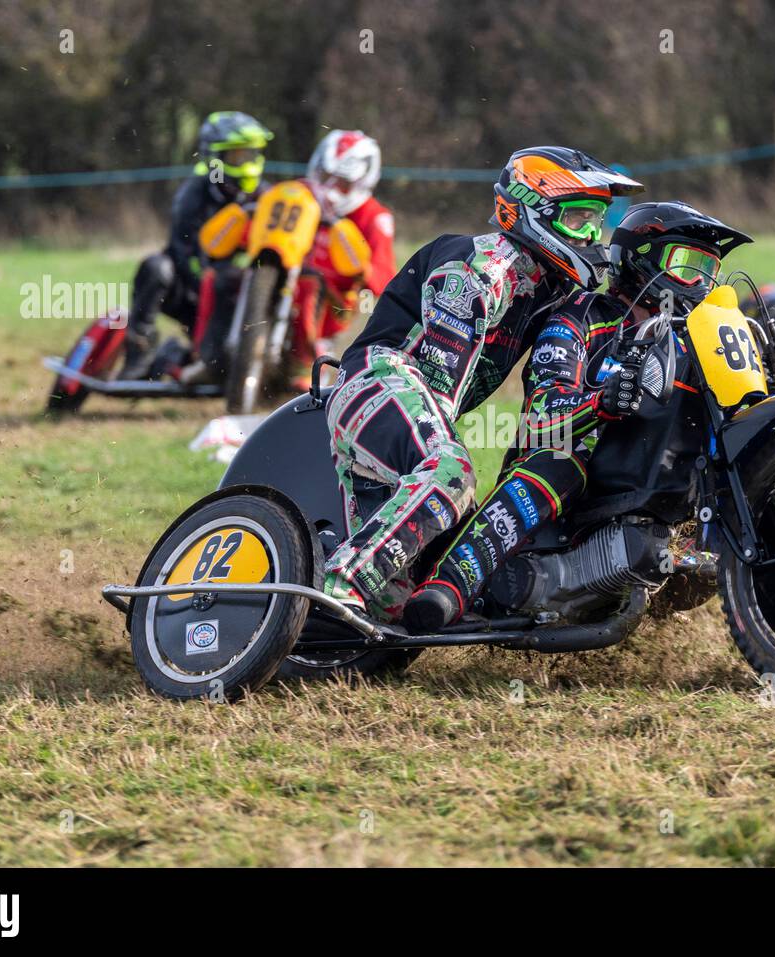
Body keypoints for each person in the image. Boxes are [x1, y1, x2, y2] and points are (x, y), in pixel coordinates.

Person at [320, 147, 644, 621]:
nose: (593, 235)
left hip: (406, 404)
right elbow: (436, 385)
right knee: (450, 472)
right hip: (377, 380)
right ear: (533, 210)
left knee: (398, 600)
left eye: (598, 220)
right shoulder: (481, 265)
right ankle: (340, 583)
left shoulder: (549, 289)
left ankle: (334, 602)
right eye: (578, 219)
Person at [403, 201, 746, 633]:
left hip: (637, 493)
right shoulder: (581, 315)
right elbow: (545, 409)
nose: (697, 283)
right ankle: (447, 587)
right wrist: (601, 401)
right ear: (641, 258)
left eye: (707, 271)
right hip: (562, 486)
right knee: (561, 463)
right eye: (686, 266)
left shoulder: (689, 343)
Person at [118, 111, 273, 380]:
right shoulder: (195, 193)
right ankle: (139, 354)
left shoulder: (268, 197)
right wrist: (209, 280)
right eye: (238, 155)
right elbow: (182, 251)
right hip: (193, 293)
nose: (247, 162)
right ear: (215, 157)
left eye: (251, 154)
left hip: (243, 303)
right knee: (157, 267)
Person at [291, 130, 397, 390]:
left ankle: (309, 359)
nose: (330, 190)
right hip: (285, 281)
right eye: (326, 177)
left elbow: (383, 279)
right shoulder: (300, 194)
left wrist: (357, 267)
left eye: (342, 183)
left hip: (334, 301)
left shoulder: (374, 217)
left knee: (310, 282)